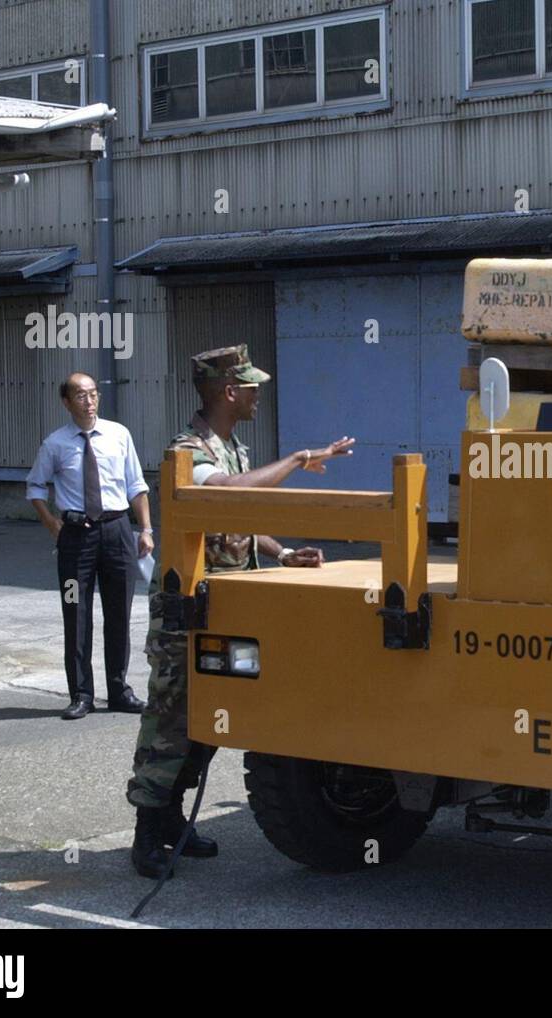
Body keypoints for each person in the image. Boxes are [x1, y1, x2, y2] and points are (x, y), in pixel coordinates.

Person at [127, 344, 356, 878]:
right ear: (229, 391)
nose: (258, 395)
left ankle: (173, 820)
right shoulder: (189, 451)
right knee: (172, 723)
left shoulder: (237, 449)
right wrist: (298, 459)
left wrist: (282, 553)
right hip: (187, 614)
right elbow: (224, 495)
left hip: (229, 611)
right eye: (251, 386)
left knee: (209, 724)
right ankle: (147, 831)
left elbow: (240, 519)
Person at [27, 372, 150, 720]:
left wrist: (146, 529)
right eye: (80, 395)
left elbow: (136, 485)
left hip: (117, 533)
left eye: (93, 393)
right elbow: (35, 488)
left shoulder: (118, 435)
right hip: (75, 540)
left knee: (119, 614)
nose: (89, 400)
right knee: (75, 612)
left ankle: (119, 690)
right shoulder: (55, 444)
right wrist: (52, 523)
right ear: (66, 402)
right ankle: (81, 694)